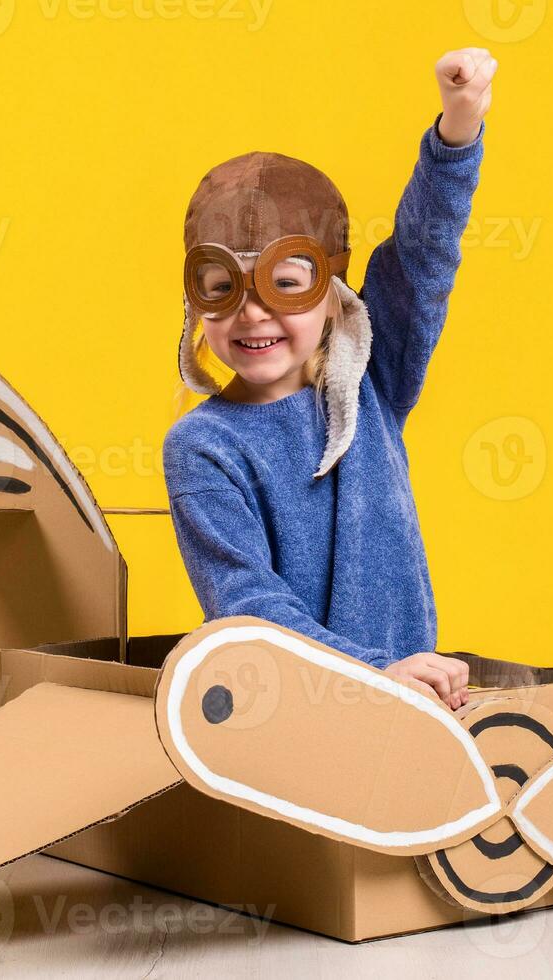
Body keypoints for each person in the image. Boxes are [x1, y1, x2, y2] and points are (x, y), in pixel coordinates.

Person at [163, 48, 498, 710]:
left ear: (333, 296)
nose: (251, 312)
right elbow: (246, 606)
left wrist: (457, 130)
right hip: (291, 713)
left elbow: (424, 256)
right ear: (196, 303)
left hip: (408, 703)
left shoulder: (371, 387)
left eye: (285, 286)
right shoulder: (202, 448)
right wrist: (373, 671)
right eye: (222, 289)